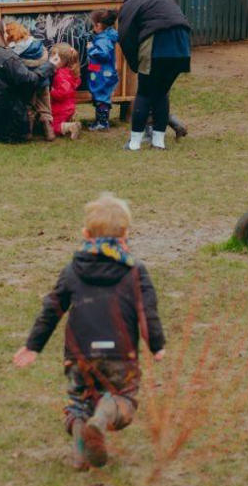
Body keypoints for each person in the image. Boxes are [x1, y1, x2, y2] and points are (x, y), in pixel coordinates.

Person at [13, 193, 166, 471]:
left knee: (78, 404)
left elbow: (52, 308)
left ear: (85, 234)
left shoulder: (72, 270)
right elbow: (147, 310)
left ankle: (81, 452)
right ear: (125, 235)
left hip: (79, 355)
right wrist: (156, 345)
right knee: (124, 398)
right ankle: (105, 413)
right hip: (120, 355)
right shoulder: (135, 270)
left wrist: (33, 345)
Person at [116, 0, 191, 151]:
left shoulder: (131, 3)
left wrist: (135, 64)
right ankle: (158, 142)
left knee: (144, 93)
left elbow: (125, 37)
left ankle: (134, 143)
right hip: (181, 45)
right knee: (161, 93)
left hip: (156, 44)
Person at [4, 20, 55, 141]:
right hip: (43, 82)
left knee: (28, 107)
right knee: (45, 107)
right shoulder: (38, 45)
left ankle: (28, 133)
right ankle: (48, 131)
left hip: (28, 84)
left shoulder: (14, 50)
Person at [86, 8, 119, 132]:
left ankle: (103, 123)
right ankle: (100, 121)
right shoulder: (106, 36)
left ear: (98, 25)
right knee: (100, 96)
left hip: (102, 74)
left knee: (101, 97)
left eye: (93, 25)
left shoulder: (103, 40)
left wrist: (91, 48)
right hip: (102, 71)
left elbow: (103, 54)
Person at [49, 42, 82, 140]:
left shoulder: (60, 75)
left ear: (62, 60)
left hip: (61, 108)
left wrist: (51, 91)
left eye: (54, 57)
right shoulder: (70, 72)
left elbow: (62, 93)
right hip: (68, 106)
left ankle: (70, 127)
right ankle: (69, 121)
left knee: (51, 127)